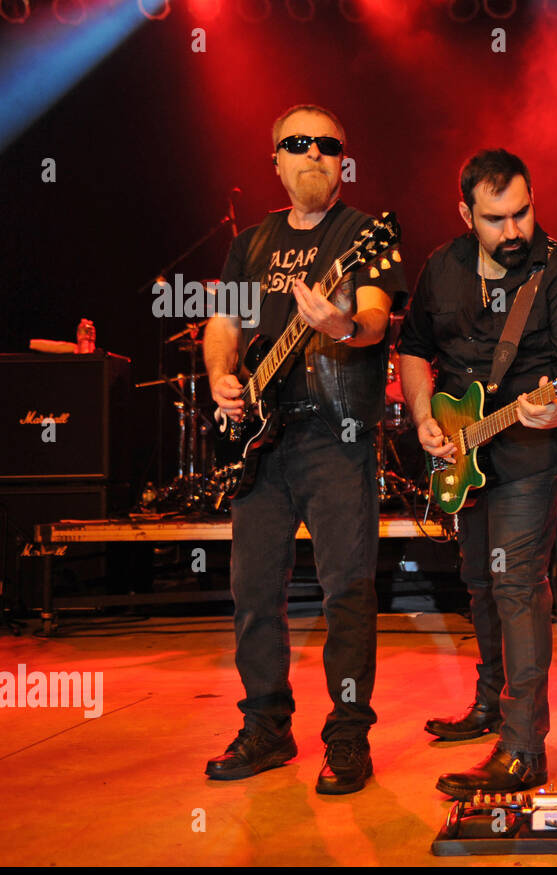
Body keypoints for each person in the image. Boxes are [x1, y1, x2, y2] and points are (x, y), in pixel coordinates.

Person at [203, 104, 406, 794]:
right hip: (262, 443)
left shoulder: (364, 234)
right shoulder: (252, 243)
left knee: (346, 589)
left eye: (328, 144)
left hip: (337, 438)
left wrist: (343, 325)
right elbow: (223, 322)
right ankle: (266, 727)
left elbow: (376, 319)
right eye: (298, 143)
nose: (313, 153)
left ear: (342, 161)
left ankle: (348, 735)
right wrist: (224, 378)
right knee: (253, 591)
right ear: (277, 161)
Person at [398, 149, 557, 797]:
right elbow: (413, 350)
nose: (514, 231)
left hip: (530, 454)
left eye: (523, 213)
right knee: (480, 584)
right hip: (463, 451)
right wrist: (426, 417)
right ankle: (488, 704)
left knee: (517, 587)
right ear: (466, 214)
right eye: (495, 219)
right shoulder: (441, 268)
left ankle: (523, 749)